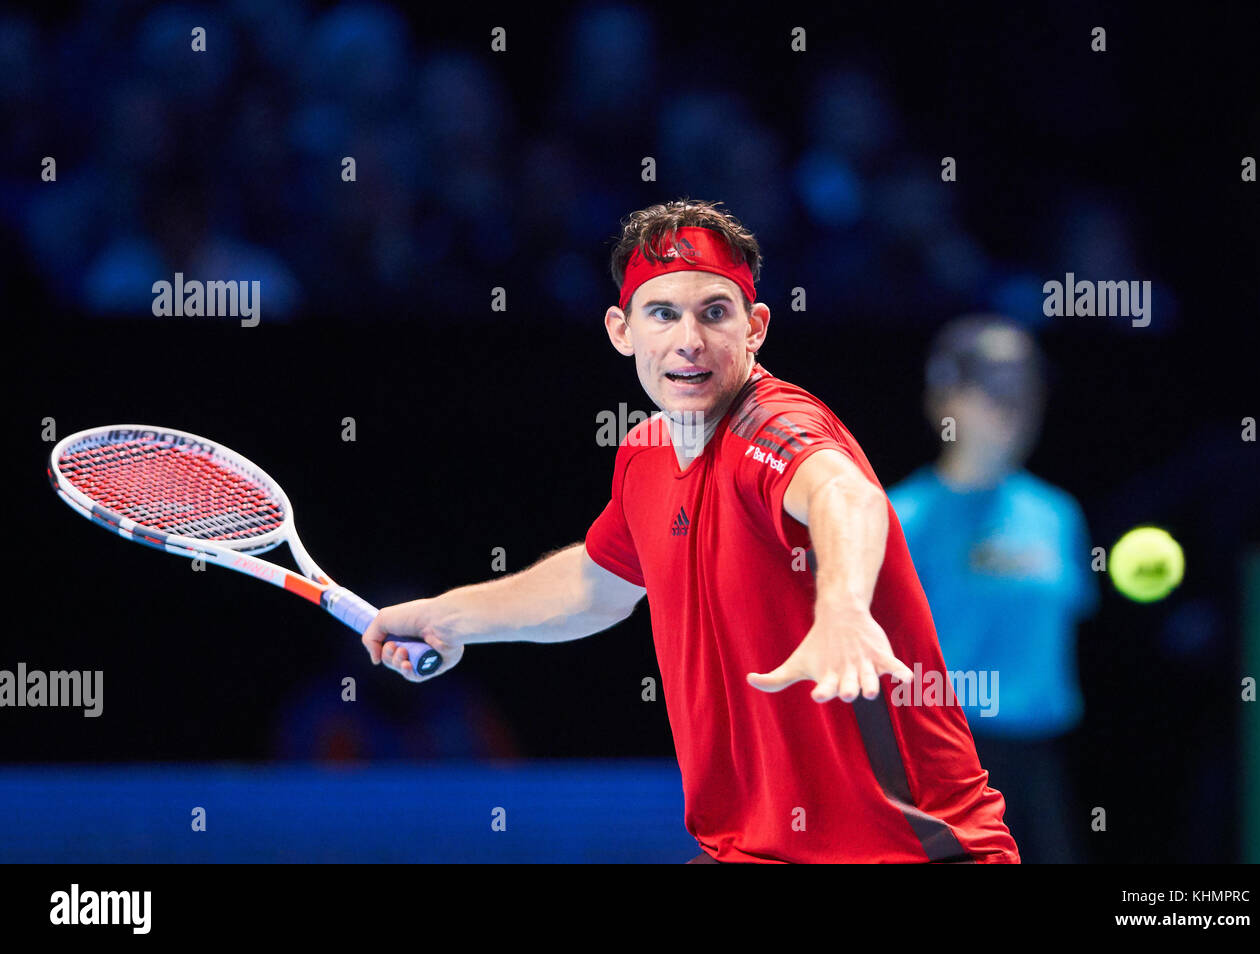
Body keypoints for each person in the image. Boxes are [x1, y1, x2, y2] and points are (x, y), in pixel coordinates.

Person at [362, 200, 1019, 863]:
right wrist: (451, 616)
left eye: (714, 312)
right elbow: (595, 584)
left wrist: (844, 608)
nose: (689, 340)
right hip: (751, 851)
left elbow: (843, 493)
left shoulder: (775, 426)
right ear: (622, 330)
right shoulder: (646, 454)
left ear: (755, 326)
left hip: (908, 853)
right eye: (663, 314)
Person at [888, 315, 1098, 863]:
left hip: (1042, 768)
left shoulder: (1056, 514)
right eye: (992, 388)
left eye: (1025, 390)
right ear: (943, 402)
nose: (1013, 407)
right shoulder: (898, 518)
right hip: (943, 770)